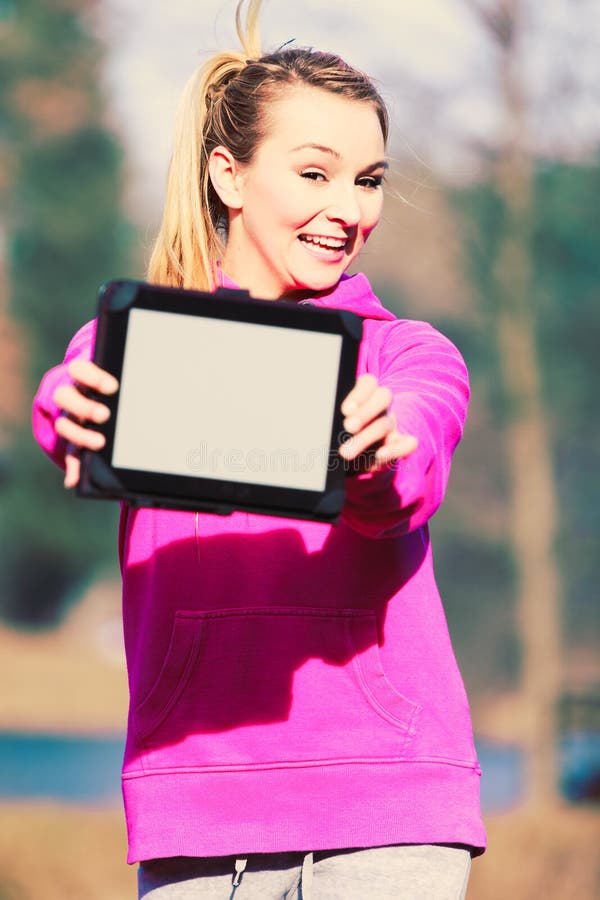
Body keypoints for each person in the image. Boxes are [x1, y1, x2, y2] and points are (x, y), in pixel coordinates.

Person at [32, 1, 486, 896]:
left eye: (368, 180)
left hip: (386, 811)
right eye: (315, 174)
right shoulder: (143, 344)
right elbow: (76, 396)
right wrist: (64, 410)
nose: (347, 210)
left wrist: (379, 454)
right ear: (228, 176)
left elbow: (413, 460)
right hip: (190, 806)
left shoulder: (408, 354)